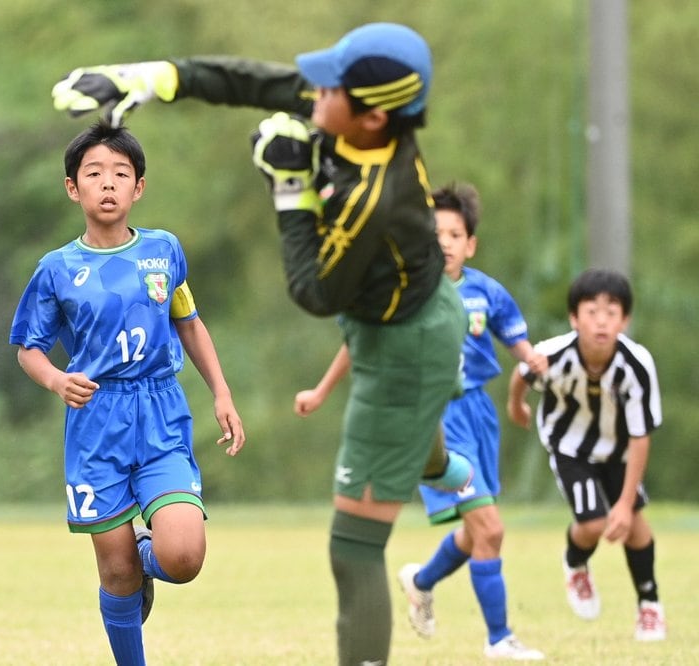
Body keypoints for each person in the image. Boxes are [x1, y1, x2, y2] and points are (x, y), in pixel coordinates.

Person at [52, 22, 473, 665]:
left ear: (372, 116)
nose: (313, 90)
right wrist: (147, 77)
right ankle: (436, 460)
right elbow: (246, 80)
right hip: (400, 318)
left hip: (403, 348)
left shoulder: (377, 199)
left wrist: (289, 188)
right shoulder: (354, 116)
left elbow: (315, 292)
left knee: (354, 546)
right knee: (413, 444)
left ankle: (431, 462)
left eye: (329, 85)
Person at [9, 122, 245, 666]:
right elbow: (29, 347)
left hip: (160, 409)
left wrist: (222, 393)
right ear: (73, 188)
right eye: (94, 174)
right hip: (96, 420)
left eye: (121, 173)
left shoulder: (164, 251)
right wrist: (56, 379)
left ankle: (148, 550)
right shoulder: (56, 269)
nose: (107, 183)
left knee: (183, 556)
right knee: (115, 575)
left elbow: (188, 321)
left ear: (139, 187)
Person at [295, 182, 548, 660]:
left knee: (477, 533)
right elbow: (356, 342)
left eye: (455, 233)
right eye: (436, 232)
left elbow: (518, 341)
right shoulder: (404, 293)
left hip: (478, 413)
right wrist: (321, 390)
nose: (445, 241)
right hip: (433, 413)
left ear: (470, 244)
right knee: (490, 528)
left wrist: (532, 362)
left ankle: (421, 579)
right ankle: (499, 639)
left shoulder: (486, 291)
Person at [507, 268, 666, 642]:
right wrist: (516, 405)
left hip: (620, 451)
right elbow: (522, 374)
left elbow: (641, 437)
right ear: (574, 318)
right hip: (569, 448)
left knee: (636, 528)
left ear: (625, 320)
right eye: (591, 311)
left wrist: (626, 504)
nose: (601, 321)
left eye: (611, 312)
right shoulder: (553, 355)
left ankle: (650, 604)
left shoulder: (637, 366)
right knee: (594, 524)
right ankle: (575, 562)